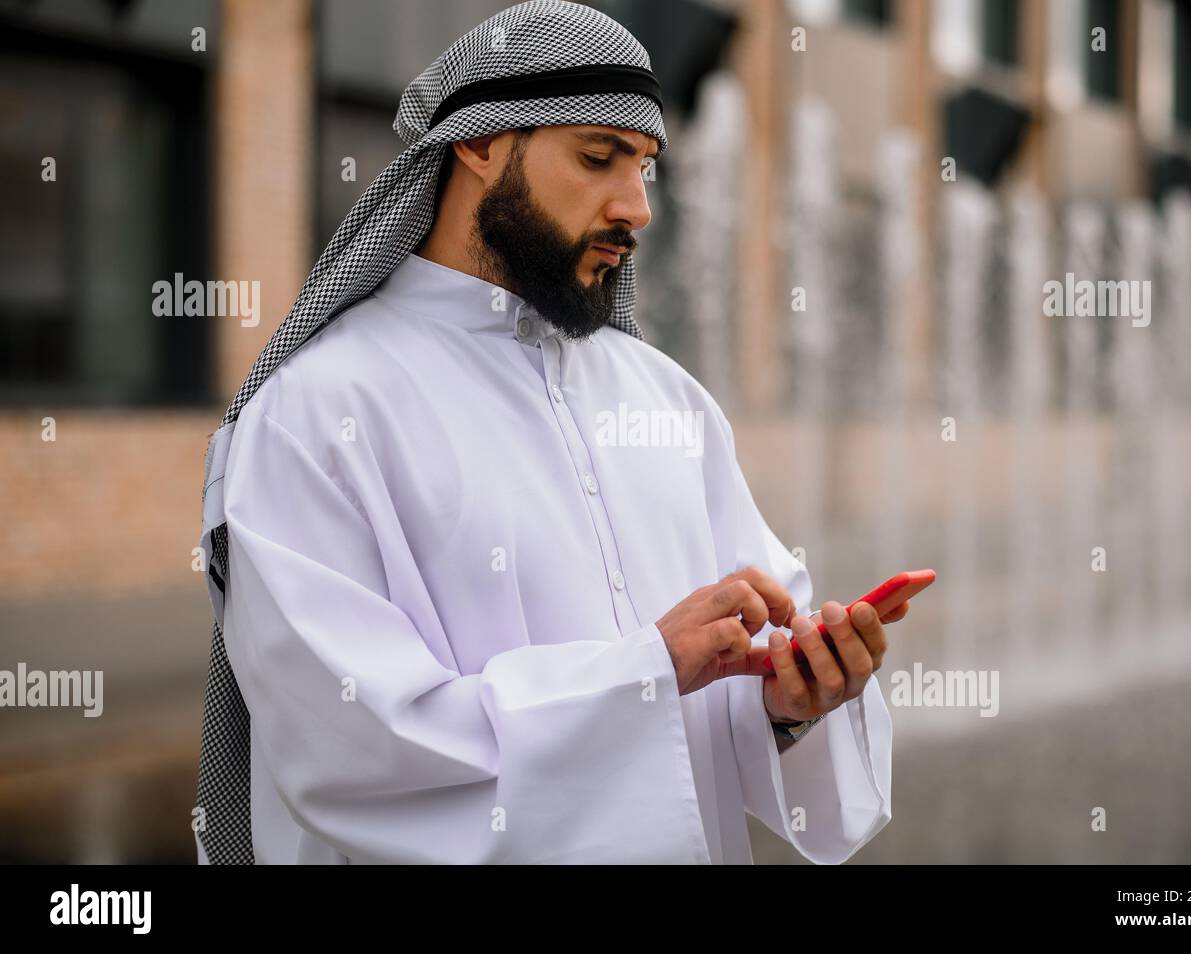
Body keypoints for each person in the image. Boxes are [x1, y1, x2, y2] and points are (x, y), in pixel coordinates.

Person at [194, 0, 902, 865]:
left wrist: (794, 701)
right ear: (480, 144)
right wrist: (645, 672)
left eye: (644, 165)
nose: (637, 207)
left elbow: (723, 702)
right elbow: (353, 749)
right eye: (598, 157)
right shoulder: (316, 415)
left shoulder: (667, 403)